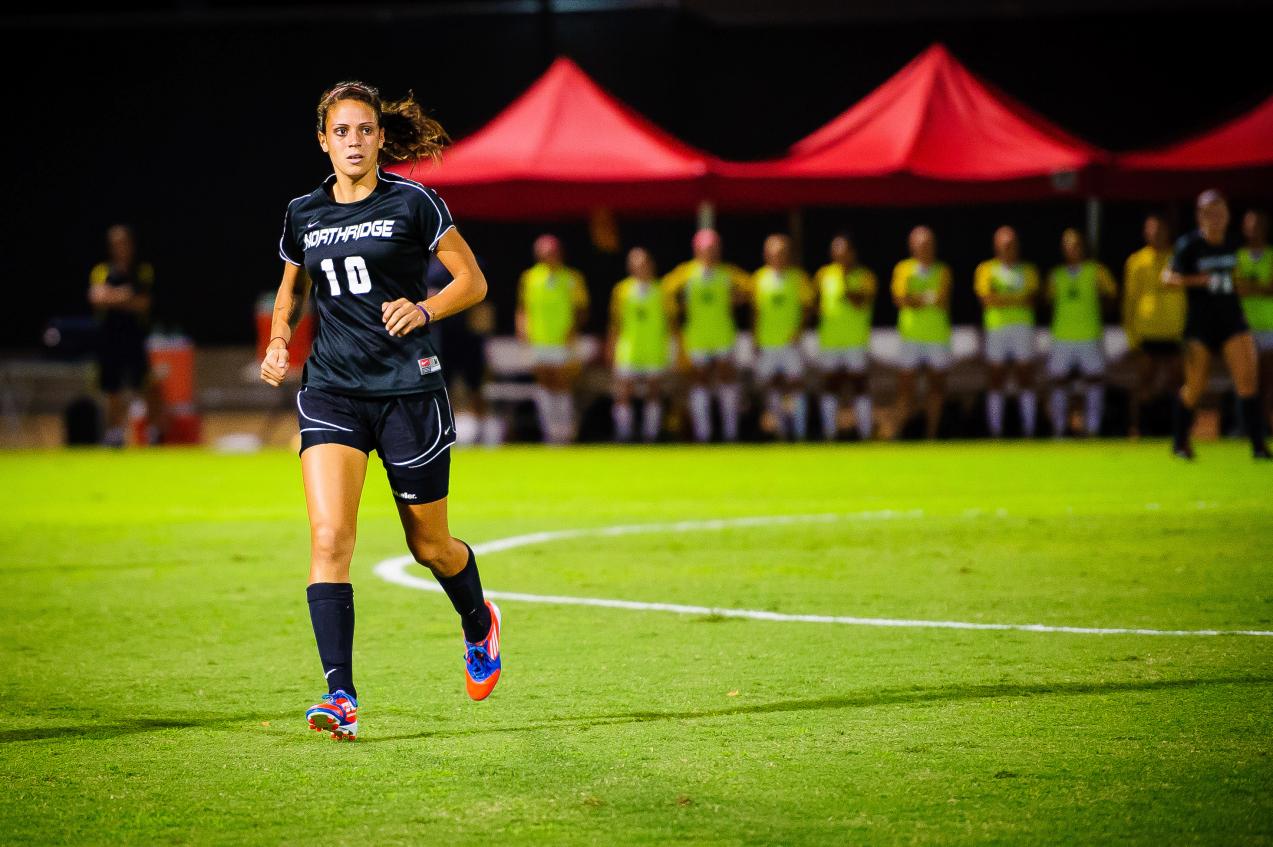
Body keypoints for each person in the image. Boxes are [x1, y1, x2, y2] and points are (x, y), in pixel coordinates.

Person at [259, 81, 496, 741]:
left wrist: (424, 308)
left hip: (407, 392)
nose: (354, 142)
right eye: (342, 131)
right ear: (323, 141)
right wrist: (278, 340)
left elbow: (472, 281)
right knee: (329, 539)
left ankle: (478, 622)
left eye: (365, 130)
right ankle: (340, 695)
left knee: (430, 546)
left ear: (381, 137)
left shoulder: (414, 202)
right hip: (331, 391)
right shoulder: (303, 212)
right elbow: (290, 292)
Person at [1168, 191, 1270, 460]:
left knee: (1247, 381)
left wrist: (1244, 284)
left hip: (1232, 320)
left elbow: (1245, 277)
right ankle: (1180, 442)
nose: (1216, 218)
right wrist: (1198, 280)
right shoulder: (1189, 245)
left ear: (1227, 215)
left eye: (1220, 212)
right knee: (1195, 386)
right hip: (1200, 324)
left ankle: (1258, 445)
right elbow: (1168, 278)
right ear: (1199, 216)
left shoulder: (1235, 243)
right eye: (1209, 213)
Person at [662, 229, 751, 442]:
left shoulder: (728, 273)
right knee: (699, 381)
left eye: (713, 249)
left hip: (722, 334)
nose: (710, 253)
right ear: (697, 250)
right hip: (697, 336)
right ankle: (703, 433)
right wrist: (680, 305)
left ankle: (730, 432)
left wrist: (737, 297)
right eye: (706, 249)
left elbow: (750, 289)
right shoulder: (686, 273)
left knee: (726, 378)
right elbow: (665, 291)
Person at [87, 225, 166, 447]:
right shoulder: (102, 270)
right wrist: (125, 296)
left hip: (135, 337)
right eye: (115, 243)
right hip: (110, 338)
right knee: (112, 387)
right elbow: (96, 297)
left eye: (123, 242)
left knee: (146, 385)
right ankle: (115, 434)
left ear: (131, 244)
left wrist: (112, 297)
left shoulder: (141, 271)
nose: (120, 247)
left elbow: (143, 303)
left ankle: (153, 433)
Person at [516, 234, 588, 444]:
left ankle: (566, 429)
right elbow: (523, 308)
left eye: (552, 252)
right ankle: (550, 430)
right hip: (538, 339)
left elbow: (581, 309)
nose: (549, 256)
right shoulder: (530, 277)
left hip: (562, 340)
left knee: (562, 382)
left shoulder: (572, 278)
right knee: (544, 382)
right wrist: (522, 330)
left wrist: (572, 331)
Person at [1045, 228, 1116, 438]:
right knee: (1058, 381)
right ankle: (1059, 428)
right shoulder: (1056, 275)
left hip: (1089, 335)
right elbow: (1047, 301)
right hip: (1062, 336)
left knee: (1094, 379)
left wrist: (1098, 311)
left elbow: (1112, 296)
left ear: (1083, 247)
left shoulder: (1097, 271)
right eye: (1068, 246)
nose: (1072, 249)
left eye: (1076, 245)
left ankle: (1093, 428)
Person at [1122, 212, 1184, 437]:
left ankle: (1179, 427)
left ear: (1168, 232)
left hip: (1175, 329)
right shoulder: (1136, 261)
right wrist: (1131, 335)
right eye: (1152, 229)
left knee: (1177, 381)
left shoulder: (1179, 257)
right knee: (1144, 381)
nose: (1156, 234)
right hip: (1147, 329)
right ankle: (1139, 428)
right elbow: (1130, 299)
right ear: (1145, 232)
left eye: (1160, 229)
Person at [974, 226, 1040, 438]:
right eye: (1004, 244)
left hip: (1022, 328)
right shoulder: (986, 269)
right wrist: (1016, 299)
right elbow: (986, 300)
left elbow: (1031, 299)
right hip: (997, 328)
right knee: (995, 378)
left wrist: (1001, 298)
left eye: (1011, 244)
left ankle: (1029, 430)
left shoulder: (1028, 270)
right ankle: (995, 431)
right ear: (996, 246)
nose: (1007, 248)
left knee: (1025, 377)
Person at [427, 254, 498, 445]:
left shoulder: (473, 262)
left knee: (476, 386)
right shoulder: (431, 267)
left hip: (470, 336)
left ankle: (484, 432)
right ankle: (443, 431)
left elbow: (484, 299)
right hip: (443, 336)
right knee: (443, 386)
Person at [751, 234, 814, 440]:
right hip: (767, 342)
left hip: (790, 343)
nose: (778, 257)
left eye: (782, 253)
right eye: (774, 253)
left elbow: (808, 308)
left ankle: (800, 431)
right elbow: (755, 312)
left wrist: (799, 330)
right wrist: (755, 339)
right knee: (771, 386)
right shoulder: (759, 278)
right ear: (766, 255)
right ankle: (779, 430)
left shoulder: (799, 278)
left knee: (795, 385)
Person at [891, 226, 952, 440]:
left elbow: (942, 299)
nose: (924, 248)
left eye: (928, 244)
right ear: (912, 246)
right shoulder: (903, 269)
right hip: (911, 336)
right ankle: (901, 433)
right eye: (920, 244)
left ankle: (931, 435)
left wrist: (916, 298)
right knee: (905, 388)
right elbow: (901, 299)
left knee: (936, 388)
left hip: (937, 336)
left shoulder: (942, 270)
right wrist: (928, 298)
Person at [814, 233, 876, 440]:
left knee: (859, 385)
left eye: (843, 251)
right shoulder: (824, 275)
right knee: (830, 385)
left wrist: (845, 281)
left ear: (852, 253)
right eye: (835, 251)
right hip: (830, 340)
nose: (839, 256)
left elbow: (860, 302)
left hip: (855, 340)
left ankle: (865, 433)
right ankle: (829, 433)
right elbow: (816, 303)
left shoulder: (865, 276)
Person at [605, 247, 671, 442]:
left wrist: (673, 348)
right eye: (636, 264)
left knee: (654, 391)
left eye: (643, 263)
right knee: (624, 391)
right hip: (629, 348)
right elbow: (615, 323)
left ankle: (651, 434)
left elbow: (671, 322)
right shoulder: (621, 290)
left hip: (654, 347)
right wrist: (611, 347)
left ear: (651, 265)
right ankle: (624, 434)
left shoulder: (662, 290)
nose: (640, 268)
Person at [1235, 209, 1273, 438]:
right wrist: (1261, 287)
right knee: (1247, 382)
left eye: (1258, 224)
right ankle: (1246, 428)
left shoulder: (1271, 255)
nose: (1254, 229)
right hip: (1244, 327)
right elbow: (1236, 288)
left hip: (1269, 326)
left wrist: (1249, 287)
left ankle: (1265, 426)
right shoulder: (1238, 256)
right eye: (1250, 224)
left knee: (1268, 382)